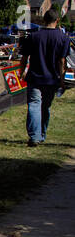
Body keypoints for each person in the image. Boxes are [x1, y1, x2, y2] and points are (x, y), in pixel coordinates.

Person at [19, 9, 73, 145]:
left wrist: (22, 72)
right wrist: (62, 80)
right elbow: (62, 61)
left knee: (34, 105)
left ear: (44, 20)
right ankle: (42, 133)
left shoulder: (33, 36)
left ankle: (34, 136)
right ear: (57, 21)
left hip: (35, 77)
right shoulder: (63, 38)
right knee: (45, 107)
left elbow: (24, 57)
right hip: (52, 78)